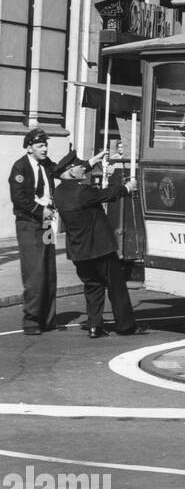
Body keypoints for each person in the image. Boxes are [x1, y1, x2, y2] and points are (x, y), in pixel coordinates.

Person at [53, 153, 140, 337]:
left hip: (79, 251)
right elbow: (106, 194)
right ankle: (126, 326)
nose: (83, 168)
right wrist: (126, 187)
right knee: (116, 286)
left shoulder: (59, 193)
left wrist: (97, 159)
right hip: (100, 248)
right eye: (79, 167)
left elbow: (91, 186)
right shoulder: (82, 191)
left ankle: (94, 326)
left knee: (93, 286)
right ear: (69, 171)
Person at [8, 128, 60, 335]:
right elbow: (19, 199)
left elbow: (63, 169)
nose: (45, 149)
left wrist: (90, 163)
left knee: (49, 269)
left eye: (46, 145)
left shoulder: (47, 165)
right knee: (34, 272)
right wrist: (41, 210)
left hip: (47, 222)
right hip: (29, 223)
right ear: (29, 148)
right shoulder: (20, 168)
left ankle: (48, 320)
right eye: (40, 145)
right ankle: (31, 320)